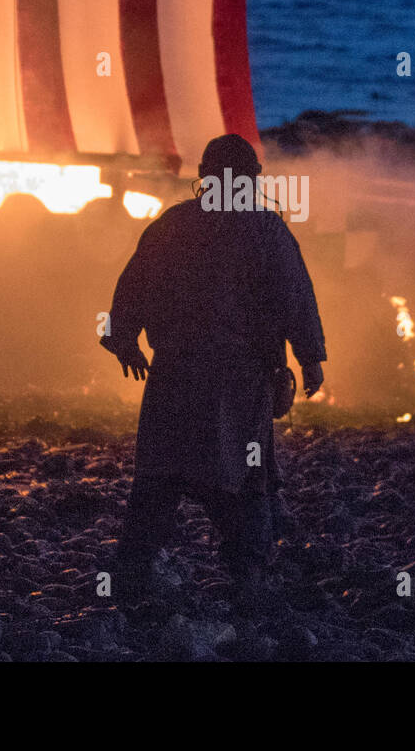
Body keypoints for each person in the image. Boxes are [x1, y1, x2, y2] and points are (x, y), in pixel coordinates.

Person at [100, 134, 326, 608]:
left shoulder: (174, 225)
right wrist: (309, 358)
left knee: (158, 483)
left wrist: (125, 340)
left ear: (204, 176)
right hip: (239, 385)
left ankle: (130, 588)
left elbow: (133, 286)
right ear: (252, 179)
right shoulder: (267, 232)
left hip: (176, 379)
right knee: (243, 482)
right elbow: (295, 298)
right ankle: (249, 587)